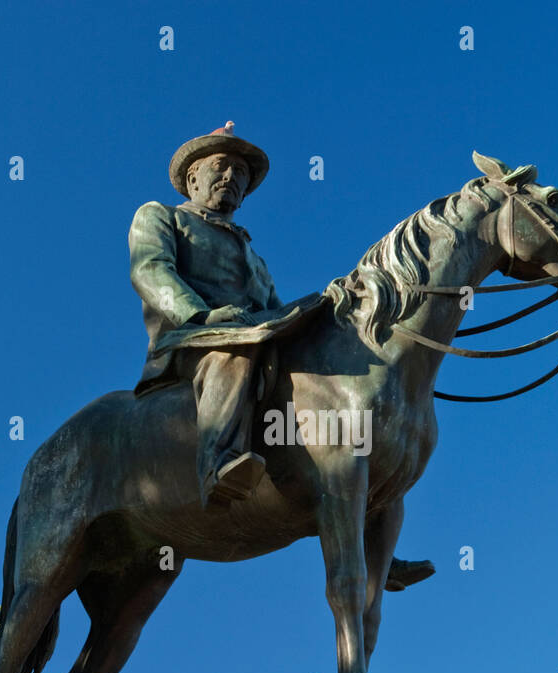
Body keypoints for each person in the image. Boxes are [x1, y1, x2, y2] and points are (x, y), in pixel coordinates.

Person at [128, 122, 433, 589]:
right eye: (221, 167)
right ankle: (219, 461)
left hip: (253, 335)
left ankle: (374, 547)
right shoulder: (161, 216)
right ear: (192, 178)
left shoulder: (252, 254)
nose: (232, 177)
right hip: (195, 341)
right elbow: (151, 271)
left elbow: (272, 310)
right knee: (239, 348)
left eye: (241, 174)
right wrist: (202, 317)